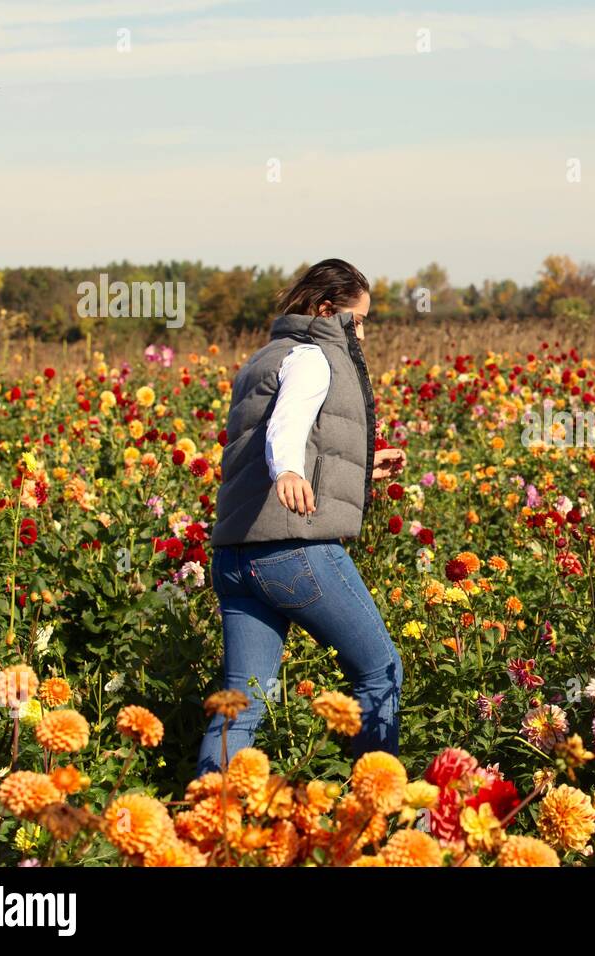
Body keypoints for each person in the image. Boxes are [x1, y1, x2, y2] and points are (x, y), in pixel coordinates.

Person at [196, 258, 405, 775]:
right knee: (380, 671)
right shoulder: (313, 356)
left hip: (236, 557)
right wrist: (288, 470)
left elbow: (282, 441)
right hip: (292, 552)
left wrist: (360, 472)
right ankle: (372, 817)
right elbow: (284, 431)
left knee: (240, 708)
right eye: (357, 320)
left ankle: (203, 826)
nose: (363, 332)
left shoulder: (266, 357)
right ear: (325, 310)